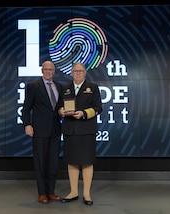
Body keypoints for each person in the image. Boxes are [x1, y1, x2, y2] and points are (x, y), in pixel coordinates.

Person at [58, 62, 102, 205]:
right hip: (70, 130)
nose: (77, 73)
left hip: (87, 130)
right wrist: (61, 111)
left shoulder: (93, 88)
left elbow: (98, 108)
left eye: (80, 71)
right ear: (71, 73)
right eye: (75, 71)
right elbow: (59, 106)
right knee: (72, 161)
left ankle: (87, 194)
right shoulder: (65, 88)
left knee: (87, 161)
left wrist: (83, 113)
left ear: (85, 73)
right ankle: (73, 192)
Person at [21, 61, 63, 204]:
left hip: (55, 130)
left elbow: (59, 107)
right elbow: (26, 108)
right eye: (46, 69)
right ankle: (42, 193)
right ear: (42, 70)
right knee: (40, 162)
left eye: (51, 69)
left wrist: (63, 111)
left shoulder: (59, 86)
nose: (48, 72)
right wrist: (27, 124)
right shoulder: (33, 86)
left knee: (53, 162)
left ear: (54, 71)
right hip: (39, 130)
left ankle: (51, 191)